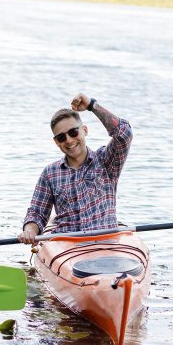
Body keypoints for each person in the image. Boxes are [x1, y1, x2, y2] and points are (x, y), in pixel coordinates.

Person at [18, 94, 133, 244]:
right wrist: (30, 230)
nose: (69, 140)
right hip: (67, 248)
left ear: (84, 130)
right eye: (61, 137)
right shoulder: (50, 173)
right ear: (56, 142)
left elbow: (124, 133)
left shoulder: (106, 160)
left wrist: (92, 106)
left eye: (73, 132)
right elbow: (37, 213)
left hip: (106, 243)